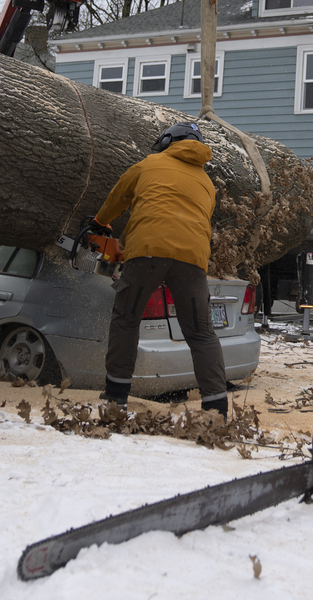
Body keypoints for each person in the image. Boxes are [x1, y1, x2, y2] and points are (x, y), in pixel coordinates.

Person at [89, 122, 229, 420]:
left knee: (126, 320)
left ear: (167, 142)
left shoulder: (148, 164)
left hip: (147, 251)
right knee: (201, 333)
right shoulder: (207, 183)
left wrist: (100, 222)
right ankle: (216, 408)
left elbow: (118, 197)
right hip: (192, 260)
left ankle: (116, 398)